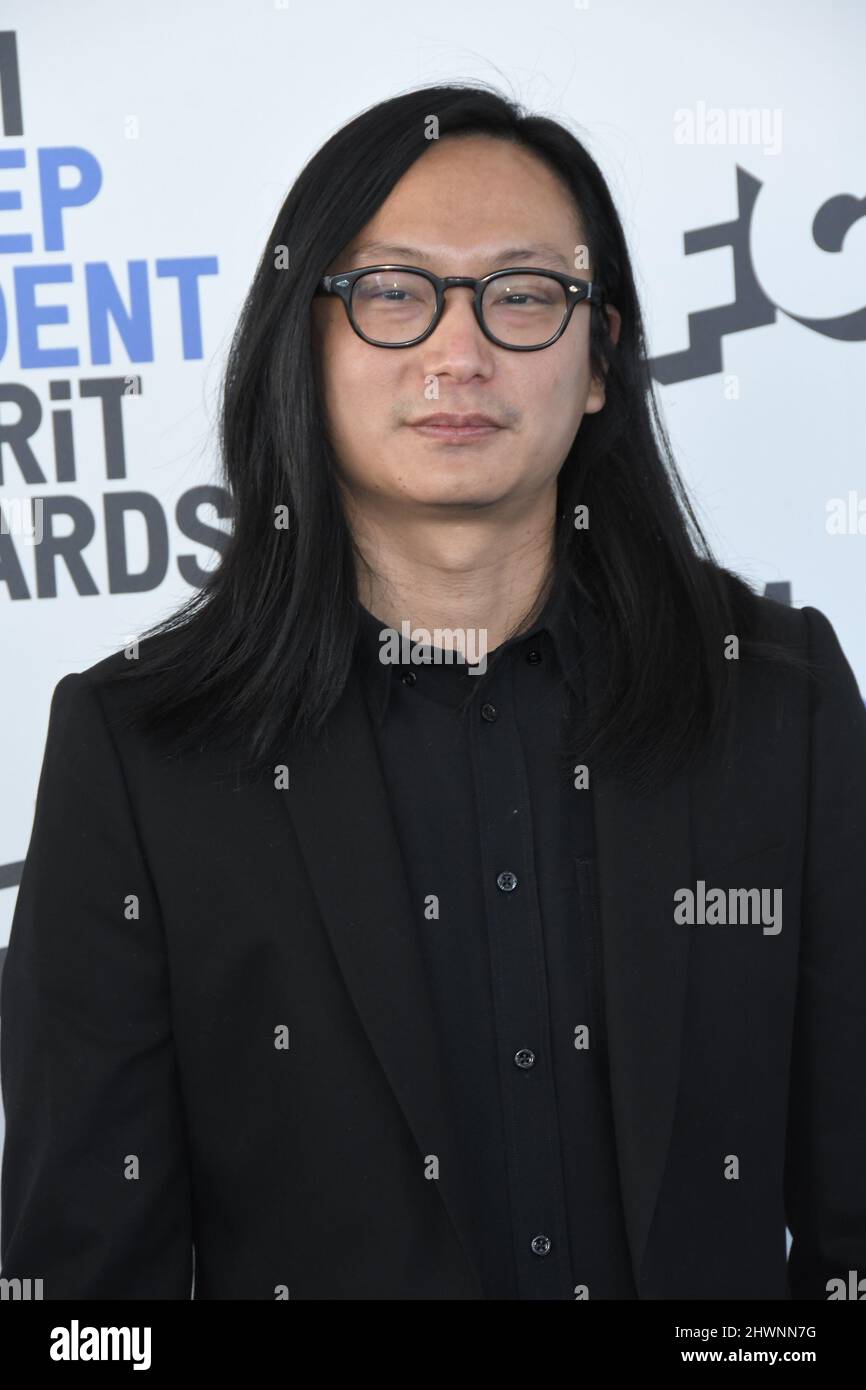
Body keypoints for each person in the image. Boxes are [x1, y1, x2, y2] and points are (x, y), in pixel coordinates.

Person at [2, 83, 864, 1301]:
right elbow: (86, 1299)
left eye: (522, 295)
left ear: (600, 358)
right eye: (395, 293)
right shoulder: (140, 752)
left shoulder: (781, 702)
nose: (458, 353)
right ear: (305, 344)